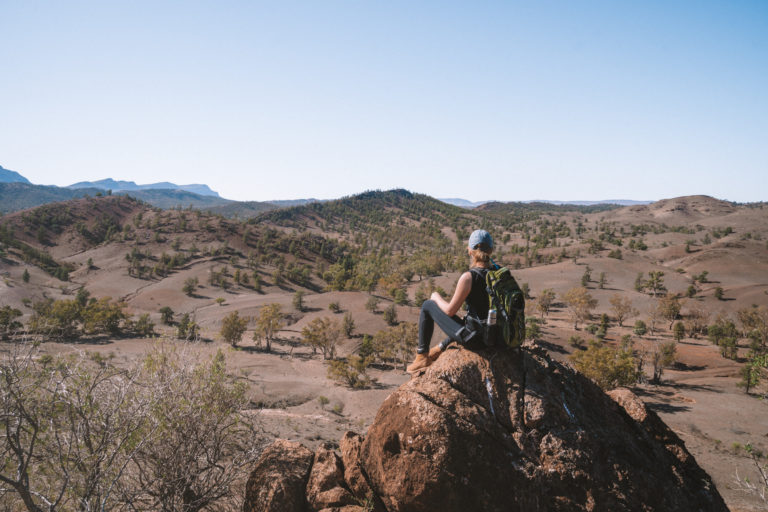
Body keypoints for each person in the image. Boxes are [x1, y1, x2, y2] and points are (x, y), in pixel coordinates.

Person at [406, 229, 497, 374]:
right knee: (465, 321)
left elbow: (450, 311)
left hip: (477, 340)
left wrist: (436, 297)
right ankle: (439, 348)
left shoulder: (469, 277)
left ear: (470, 251)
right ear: (491, 250)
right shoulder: (501, 274)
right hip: (496, 336)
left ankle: (422, 356)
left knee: (427, 305)